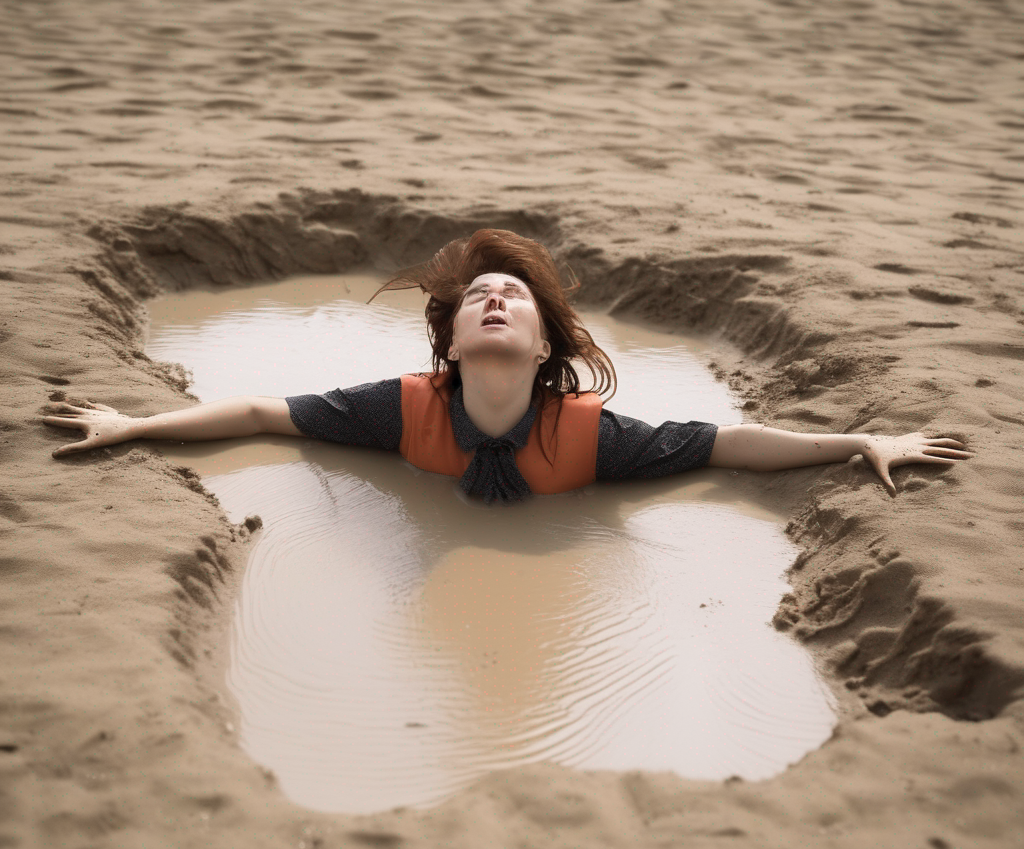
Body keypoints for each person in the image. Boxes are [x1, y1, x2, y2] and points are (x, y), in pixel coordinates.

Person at [43, 229, 971, 499]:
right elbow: (257, 417)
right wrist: (133, 425)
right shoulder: (397, 410)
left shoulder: (594, 438)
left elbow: (728, 444)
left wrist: (861, 439)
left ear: (544, 348)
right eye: (478, 296)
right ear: (447, 343)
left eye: (515, 297)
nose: (495, 298)